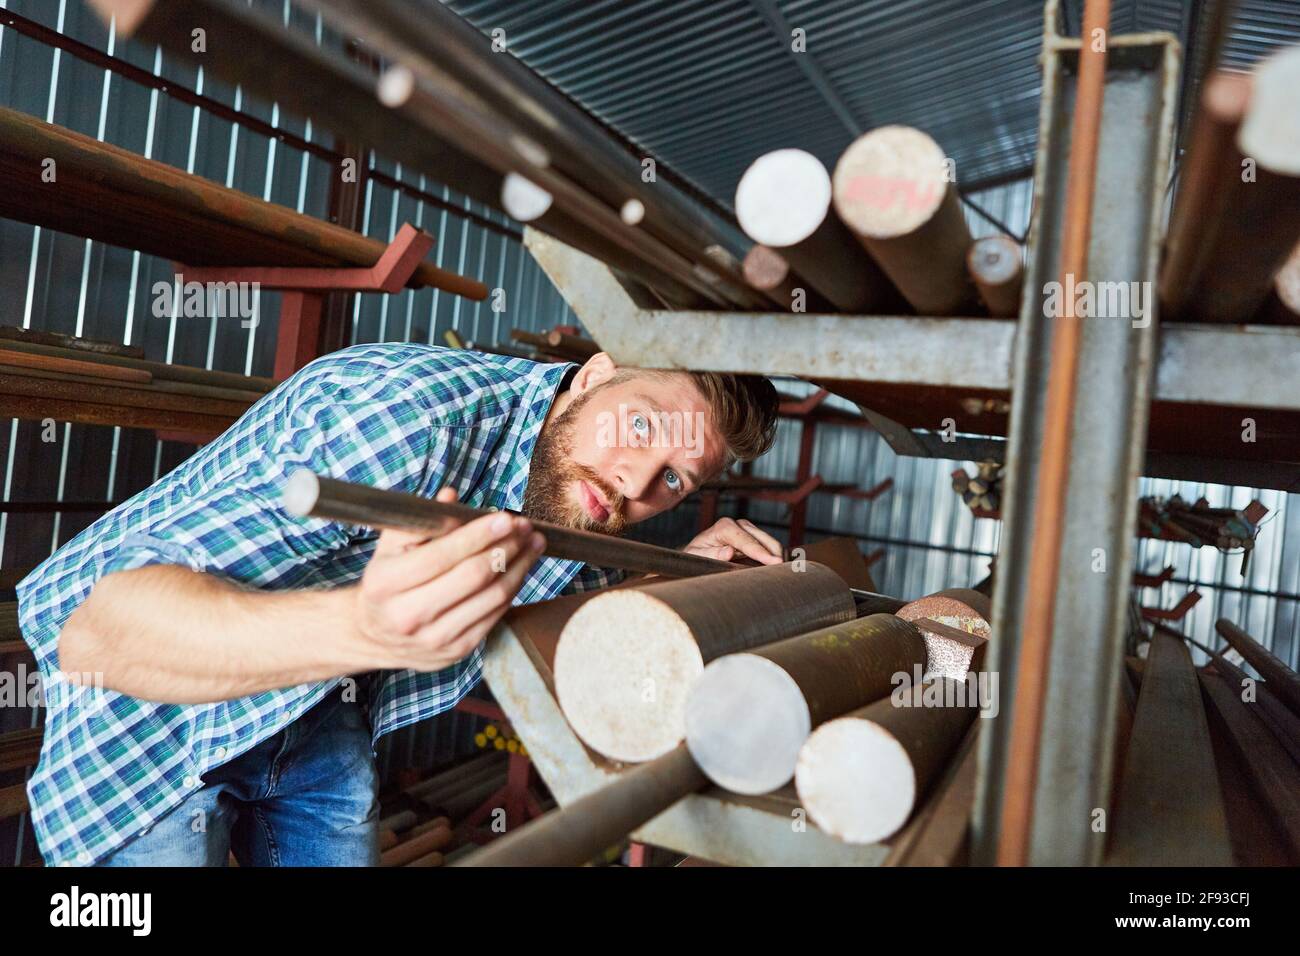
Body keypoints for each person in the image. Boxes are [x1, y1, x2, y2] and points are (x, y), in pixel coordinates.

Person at [15, 342, 782, 866]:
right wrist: (366, 629)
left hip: (319, 709)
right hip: (161, 705)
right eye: (641, 424)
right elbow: (98, 636)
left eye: (675, 479)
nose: (635, 482)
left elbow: (573, 602)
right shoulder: (407, 417)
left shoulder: (578, 488)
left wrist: (675, 575)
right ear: (593, 376)